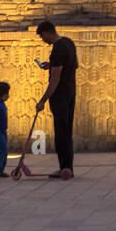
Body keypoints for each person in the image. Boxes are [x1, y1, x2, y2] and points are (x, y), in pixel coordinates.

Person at [35, 21, 78, 180]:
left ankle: (64, 168)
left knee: (61, 132)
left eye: (42, 36)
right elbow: (70, 67)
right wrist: (51, 65)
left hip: (60, 95)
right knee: (67, 130)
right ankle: (68, 168)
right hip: (71, 92)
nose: (43, 40)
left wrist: (42, 100)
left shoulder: (57, 50)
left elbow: (55, 80)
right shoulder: (69, 43)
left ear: (47, 33)